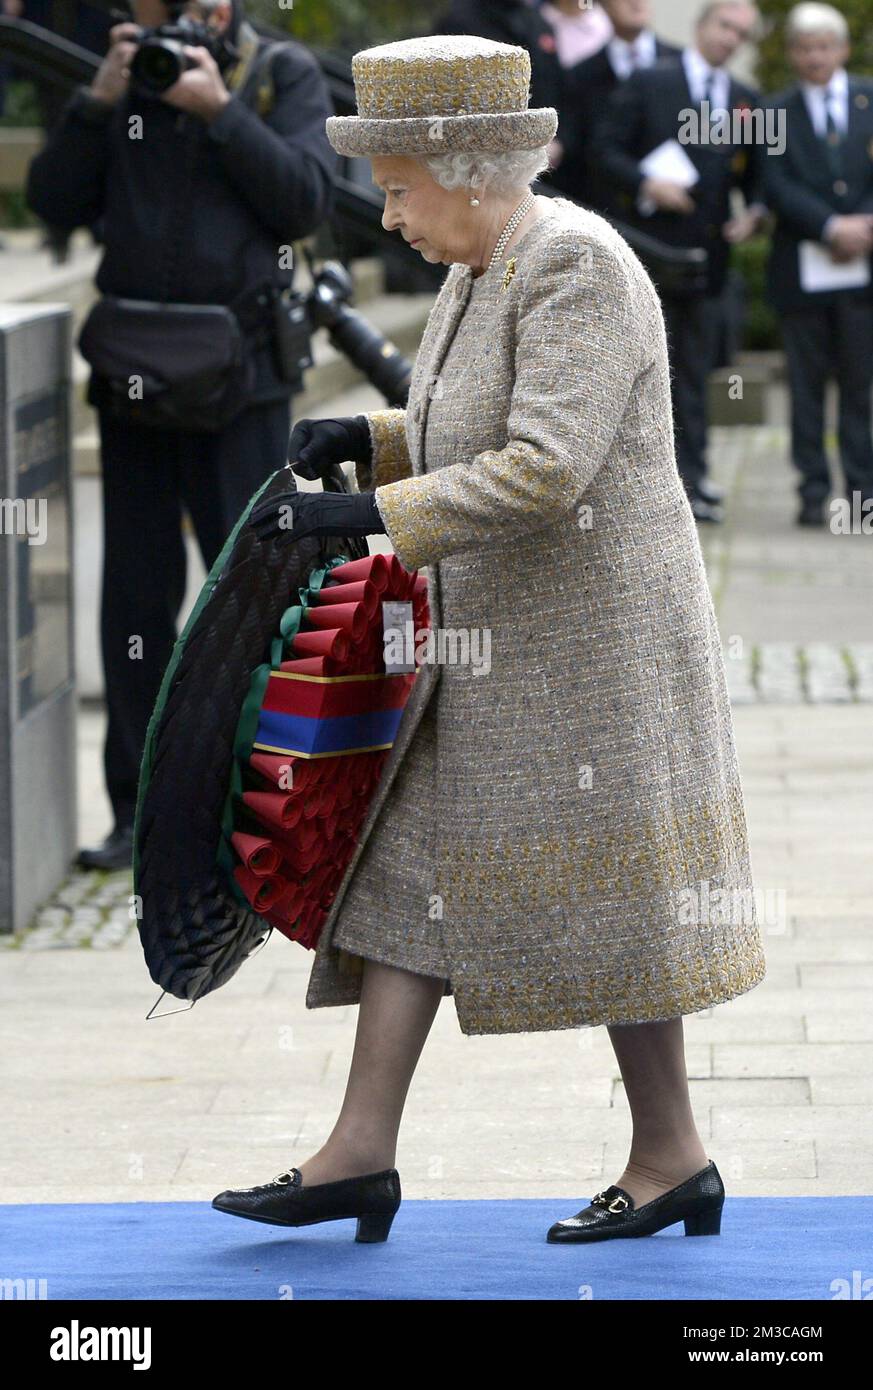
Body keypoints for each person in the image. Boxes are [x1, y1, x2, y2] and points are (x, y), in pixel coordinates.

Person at [209, 35, 767, 1246]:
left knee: (620, 899)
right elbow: (465, 426)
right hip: (498, 641)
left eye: (400, 184)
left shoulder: (575, 265)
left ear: (467, 167)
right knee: (407, 873)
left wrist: (366, 510)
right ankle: (360, 1152)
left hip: (591, 652)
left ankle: (673, 1155)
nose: (390, 212)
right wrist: (369, 437)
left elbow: (546, 466)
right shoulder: (484, 262)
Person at [25, 0, 336, 869]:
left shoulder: (278, 75)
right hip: (136, 382)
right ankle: (138, 817)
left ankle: (256, 815)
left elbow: (305, 201)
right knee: (134, 602)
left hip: (242, 385)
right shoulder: (121, 79)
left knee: (251, 597)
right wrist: (98, 102)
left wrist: (221, 114)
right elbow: (51, 200)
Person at [597, 0, 768, 522]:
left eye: (741, 33)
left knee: (695, 372)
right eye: (724, 26)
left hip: (708, 263)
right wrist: (647, 182)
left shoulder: (745, 100)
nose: (730, 39)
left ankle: (692, 482)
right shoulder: (652, 81)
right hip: (648, 254)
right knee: (642, 373)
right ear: (702, 26)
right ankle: (643, 485)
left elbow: (758, 177)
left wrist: (755, 213)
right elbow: (605, 150)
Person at [761, 2, 873, 528]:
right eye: (805, 48)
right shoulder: (774, 112)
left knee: (860, 386)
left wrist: (863, 226)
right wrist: (829, 226)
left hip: (862, 273)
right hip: (801, 271)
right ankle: (812, 493)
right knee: (806, 388)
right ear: (793, 54)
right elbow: (774, 184)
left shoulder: (869, 100)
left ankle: (861, 495)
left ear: (842, 49)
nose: (815, 57)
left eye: (825, 46)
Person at [550, 0, 682, 212]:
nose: (636, 2)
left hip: (671, 213)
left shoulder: (680, 66)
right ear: (605, 6)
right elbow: (576, 147)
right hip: (605, 212)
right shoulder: (581, 75)